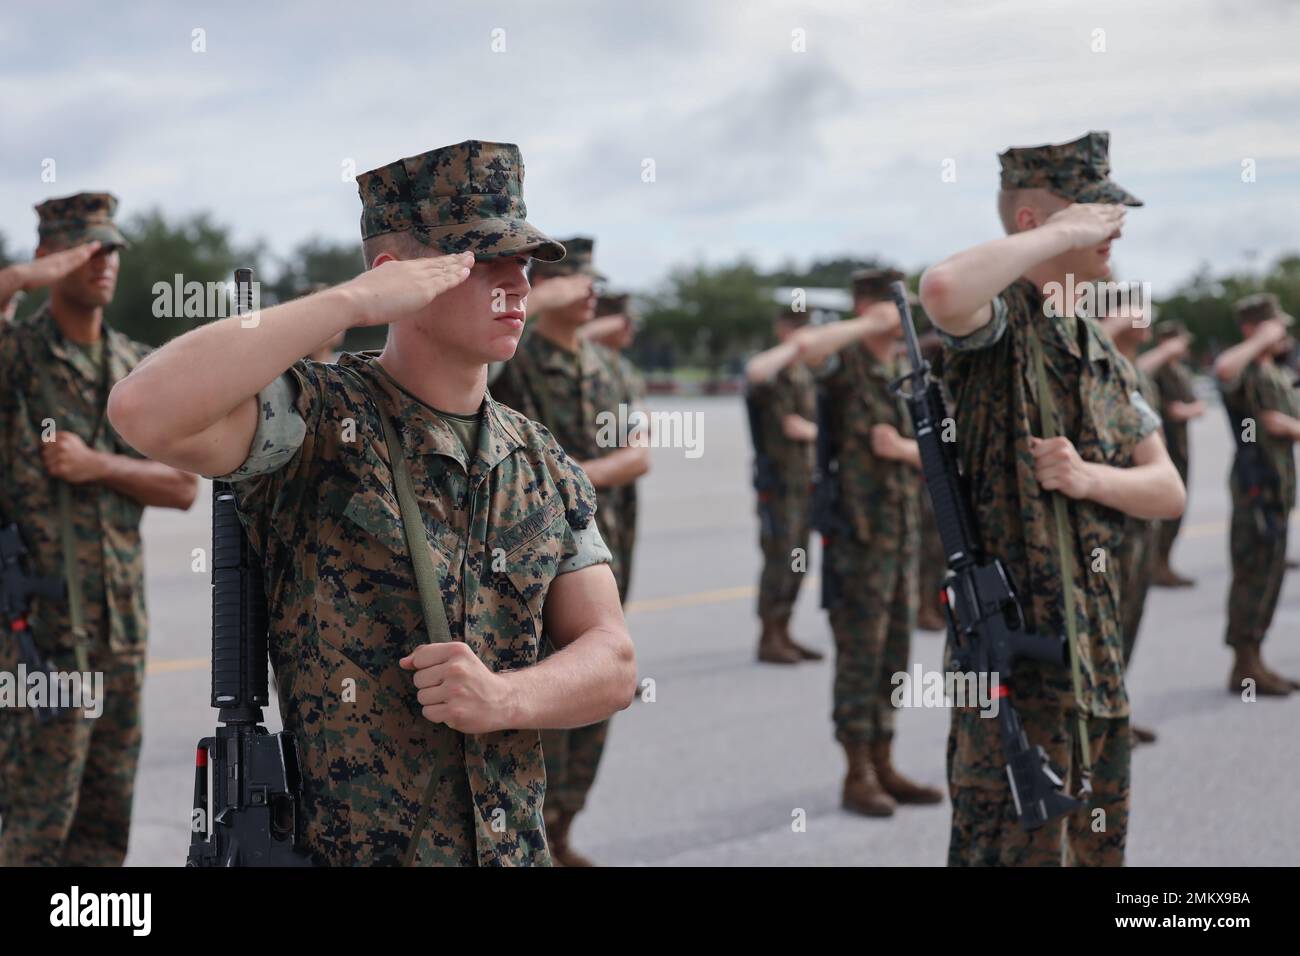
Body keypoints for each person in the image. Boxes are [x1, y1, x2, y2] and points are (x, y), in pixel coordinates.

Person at [107, 141, 638, 866]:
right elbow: (143, 409)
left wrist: (505, 698)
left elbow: (611, 663)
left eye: (523, 258)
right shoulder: (321, 421)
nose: (517, 280)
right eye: (482, 259)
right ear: (399, 278)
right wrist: (350, 302)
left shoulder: (539, 458)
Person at [920, 131, 1185, 865]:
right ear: (1037, 223)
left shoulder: (1097, 351)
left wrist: (1088, 477)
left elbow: (1166, 490)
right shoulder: (998, 323)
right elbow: (942, 290)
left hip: (1095, 663)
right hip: (1014, 671)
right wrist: (1065, 229)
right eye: (1098, 210)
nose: (1115, 225)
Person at [0, 192, 198, 866]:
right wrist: (17, 282)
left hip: (122, 634)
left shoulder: (135, 366)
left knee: (105, 827)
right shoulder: (18, 359)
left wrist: (97, 465)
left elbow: (181, 485)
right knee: (32, 827)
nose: (104, 261)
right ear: (47, 260)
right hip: (39, 642)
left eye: (111, 248)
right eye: (87, 248)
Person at [481, 236, 651, 866]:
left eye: (593, 285)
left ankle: (566, 828)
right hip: (522, 566)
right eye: (577, 284)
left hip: (606, 558)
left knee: (599, 695)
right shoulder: (514, 358)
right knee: (536, 697)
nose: (590, 295)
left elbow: (640, 454)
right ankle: (531, 836)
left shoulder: (611, 369)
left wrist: (571, 475)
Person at [753, 271, 945, 815]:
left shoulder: (905, 368)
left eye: (902, 304)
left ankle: (885, 759)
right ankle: (856, 772)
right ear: (865, 306)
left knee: (895, 654)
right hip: (857, 538)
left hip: (904, 534)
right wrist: (865, 323)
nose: (899, 314)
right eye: (889, 304)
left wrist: (904, 450)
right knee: (860, 655)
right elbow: (800, 351)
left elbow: (938, 449)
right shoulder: (844, 364)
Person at [1100, 300, 1182, 744]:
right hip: (1113, 522)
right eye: (1139, 310)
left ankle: (1115, 711)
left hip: (1143, 515)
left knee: (1129, 620)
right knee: (1106, 626)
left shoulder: (1138, 373)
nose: (1146, 317)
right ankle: (1102, 720)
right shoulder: (1103, 365)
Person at [1212, 292, 1300, 696]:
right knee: (1252, 575)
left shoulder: (1275, 372)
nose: (1282, 331)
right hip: (1255, 488)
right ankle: (1244, 668)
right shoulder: (1247, 370)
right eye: (1273, 325)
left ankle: (1256, 660)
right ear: (1254, 328)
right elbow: (1224, 368)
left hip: (1279, 490)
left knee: (1270, 576)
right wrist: (1259, 339)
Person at [742, 306, 823, 664]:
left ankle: (784, 630)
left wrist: (811, 432)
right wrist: (793, 346)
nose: (804, 335)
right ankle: (769, 636)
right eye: (796, 328)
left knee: (798, 560)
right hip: (778, 484)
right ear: (782, 330)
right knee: (780, 558)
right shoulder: (773, 374)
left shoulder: (806, 374)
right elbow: (756, 372)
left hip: (804, 483)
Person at [1149, 320, 1205, 587]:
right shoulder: (1158, 372)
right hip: (1164, 448)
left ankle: (1164, 563)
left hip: (1180, 448)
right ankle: (1158, 566)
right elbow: (1174, 411)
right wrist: (1185, 410)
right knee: (1164, 512)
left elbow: (1196, 406)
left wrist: (1186, 409)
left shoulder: (1180, 372)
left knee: (1177, 510)